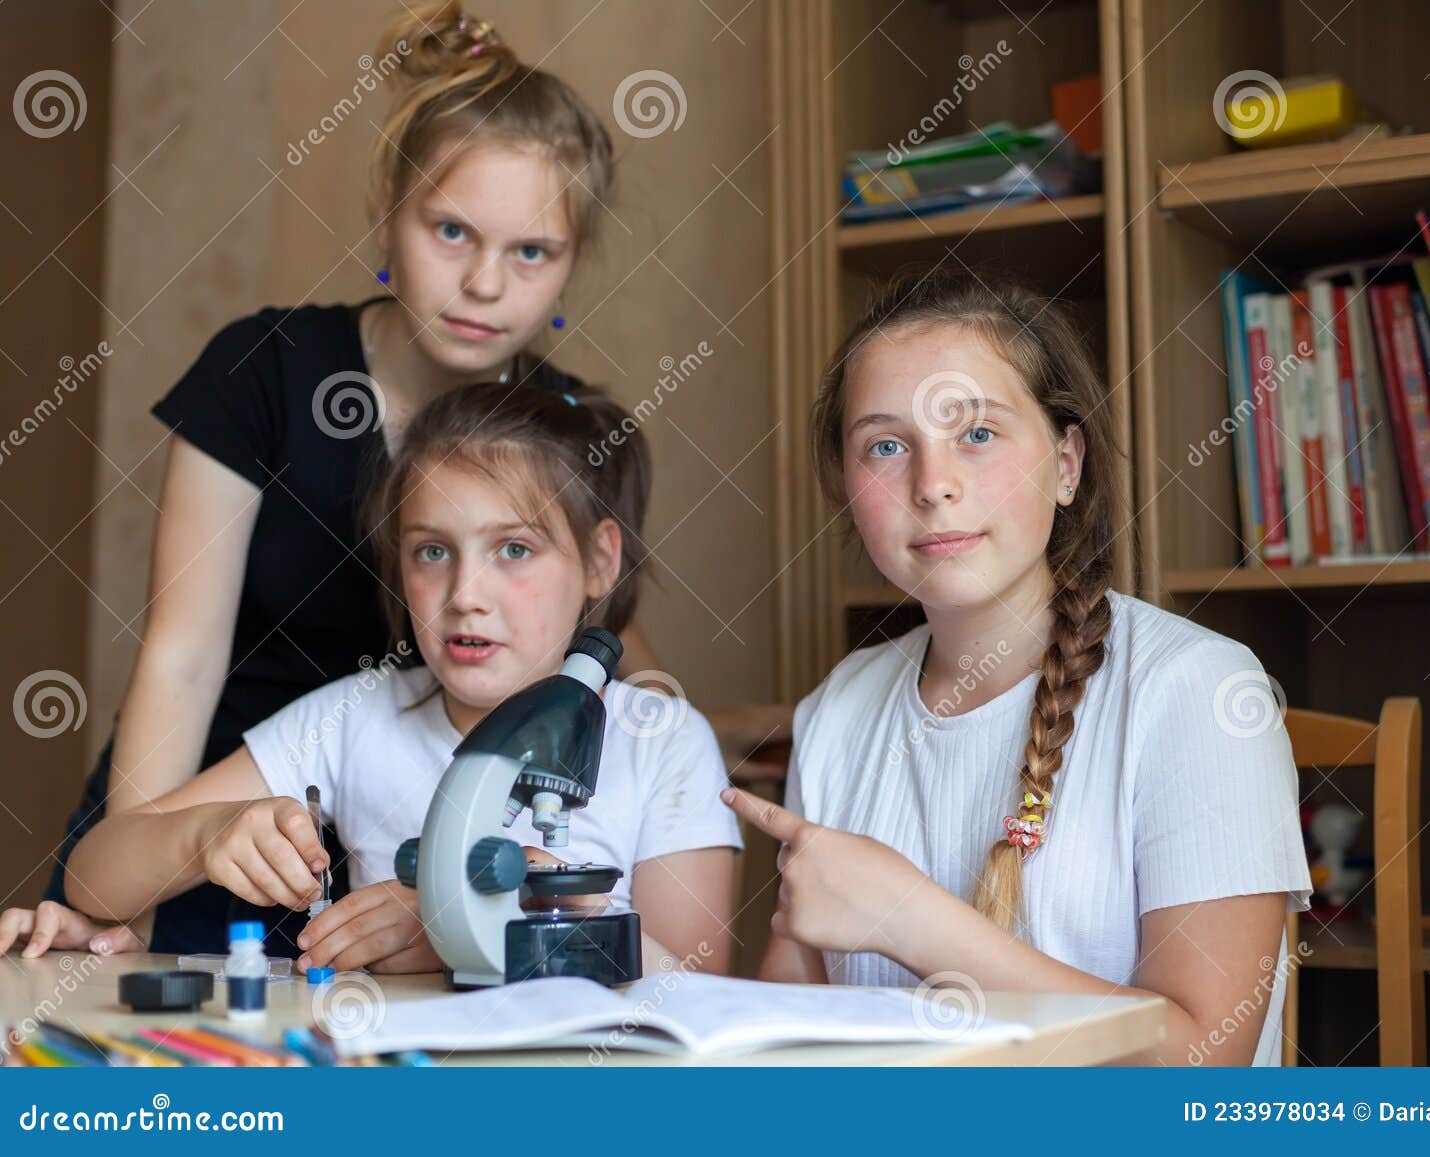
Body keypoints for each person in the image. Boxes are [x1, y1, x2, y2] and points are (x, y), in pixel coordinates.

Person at [29, 1, 654, 959]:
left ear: (572, 263)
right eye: (451, 232)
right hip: (220, 830)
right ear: (386, 213)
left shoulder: (566, 432)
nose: (486, 284)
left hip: (422, 864)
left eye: (532, 251)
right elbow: (180, 657)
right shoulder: (266, 372)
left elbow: (600, 661)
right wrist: (134, 899)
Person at [721, 268, 1312, 1065]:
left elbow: (1203, 1064)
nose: (933, 485)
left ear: (1067, 463)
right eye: (887, 446)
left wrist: (911, 919)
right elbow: (785, 1047)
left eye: (978, 433)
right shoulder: (839, 710)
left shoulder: (1199, 691)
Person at [59, 383, 739, 974]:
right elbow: (93, 878)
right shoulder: (351, 719)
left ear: (598, 559)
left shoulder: (663, 741)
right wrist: (203, 837)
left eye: (514, 549)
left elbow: (691, 985)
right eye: (432, 551)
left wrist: (454, 926)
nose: (466, 593)